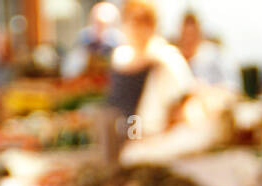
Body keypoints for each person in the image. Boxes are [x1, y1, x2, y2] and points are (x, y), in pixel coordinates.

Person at [109, 0, 198, 137]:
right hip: (128, 134)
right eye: (132, 20)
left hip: (158, 136)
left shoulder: (167, 57)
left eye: (144, 22)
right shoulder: (121, 57)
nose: (137, 28)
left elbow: (183, 100)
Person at [62, 3, 122, 78]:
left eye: (104, 25)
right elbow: (69, 69)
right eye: (97, 23)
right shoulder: (84, 39)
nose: (100, 28)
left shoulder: (118, 41)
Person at [175, 11, 230, 88]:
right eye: (186, 35)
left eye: (192, 35)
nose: (189, 39)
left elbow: (230, 87)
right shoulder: (174, 59)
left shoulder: (214, 55)